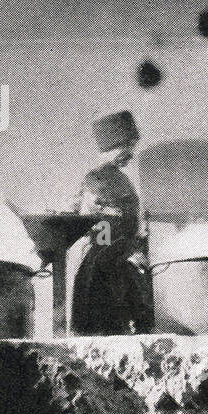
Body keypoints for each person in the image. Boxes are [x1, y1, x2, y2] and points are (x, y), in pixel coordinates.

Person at [71, 110, 154, 335]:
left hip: (118, 259)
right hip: (106, 266)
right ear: (112, 145)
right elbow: (101, 228)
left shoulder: (118, 178)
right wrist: (124, 250)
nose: (131, 154)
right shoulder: (98, 178)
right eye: (127, 146)